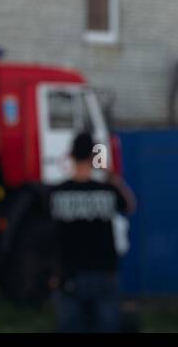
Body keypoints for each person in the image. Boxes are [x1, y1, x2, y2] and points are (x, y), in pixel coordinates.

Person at [49, 131, 135, 332]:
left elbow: (50, 235)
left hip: (69, 275)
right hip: (103, 273)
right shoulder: (107, 190)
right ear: (92, 158)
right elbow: (130, 206)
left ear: (71, 156)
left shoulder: (57, 193)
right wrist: (111, 176)